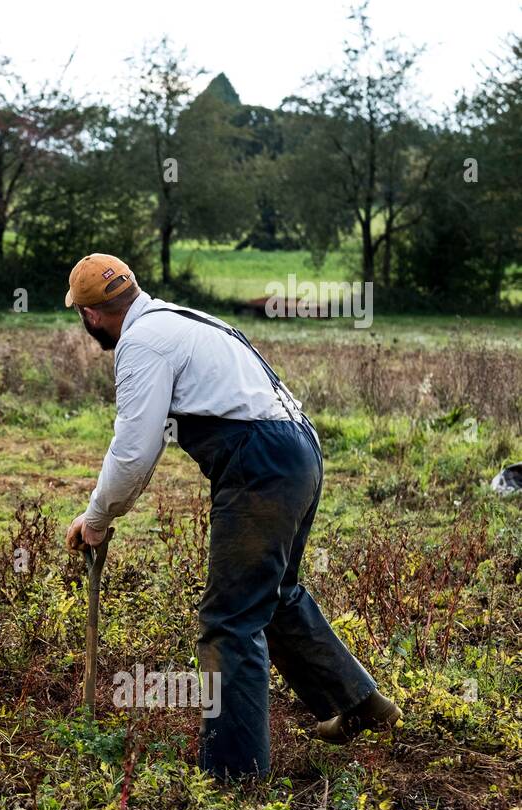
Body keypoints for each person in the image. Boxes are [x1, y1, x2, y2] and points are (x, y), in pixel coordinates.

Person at [62, 253, 402, 780]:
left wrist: (98, 517)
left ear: (89, 315)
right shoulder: (179, 319)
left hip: (260, 463)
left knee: (231, 620)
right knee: (277, 594)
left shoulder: (141, 342)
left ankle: (234, 773)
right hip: (298, 448)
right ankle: (361, 706)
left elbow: (134, 449)